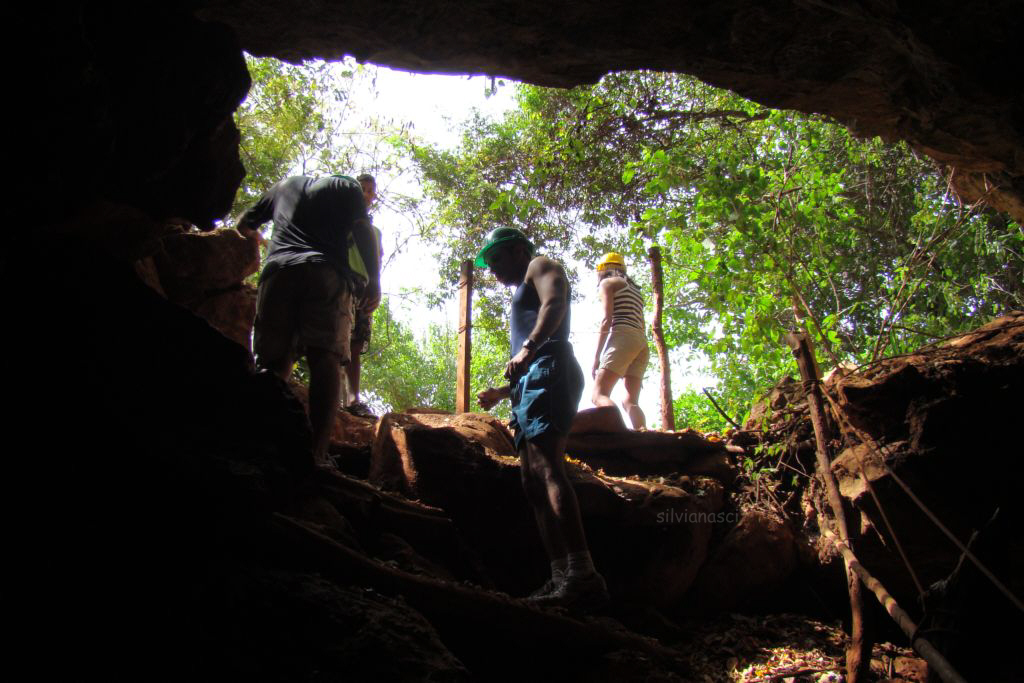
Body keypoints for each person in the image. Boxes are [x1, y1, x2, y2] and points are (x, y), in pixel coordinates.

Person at [475, 227, 609, 610]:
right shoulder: (519, 290)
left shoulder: (541, 264)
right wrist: (503, 393)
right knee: (530, 477)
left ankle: (583, 574)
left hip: (548, 364)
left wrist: (530, 348)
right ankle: (559, 577)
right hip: (530, 378)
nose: (493, 270)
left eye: (496, 259)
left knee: (547, 467)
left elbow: (556, 303)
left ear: (518, 250)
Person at [237, 174, 380, 468]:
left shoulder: (284, 186)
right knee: (325, 358)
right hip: (327, 273)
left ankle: (262, 444)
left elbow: (244, 224)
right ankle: (316, 455)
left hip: (278, 273)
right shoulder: (346, 187)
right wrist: (374, 279)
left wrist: (258, 242)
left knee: (272, 363)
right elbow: (363, 229)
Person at [591, 252, 649, 430]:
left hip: (623, 336)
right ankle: (645, 436)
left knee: (598, 394)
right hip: (641, 342)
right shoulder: (635, 290)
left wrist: (596, 358)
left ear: (602, 270)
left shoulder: (607, 283)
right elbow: (641, 322)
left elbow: (607, 320)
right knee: (630, 401)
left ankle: (619, 433)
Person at [344, 173, 383, 418]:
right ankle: (336, 397)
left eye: (370, 190)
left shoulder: (376, 231)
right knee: (336, 341)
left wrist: (375, 290)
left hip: (364, 285)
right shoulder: (341, 222)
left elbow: (376, 262)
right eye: (362, 189)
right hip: (342, 281)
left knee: (355, 344)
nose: (366, 194)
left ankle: (352, 399)